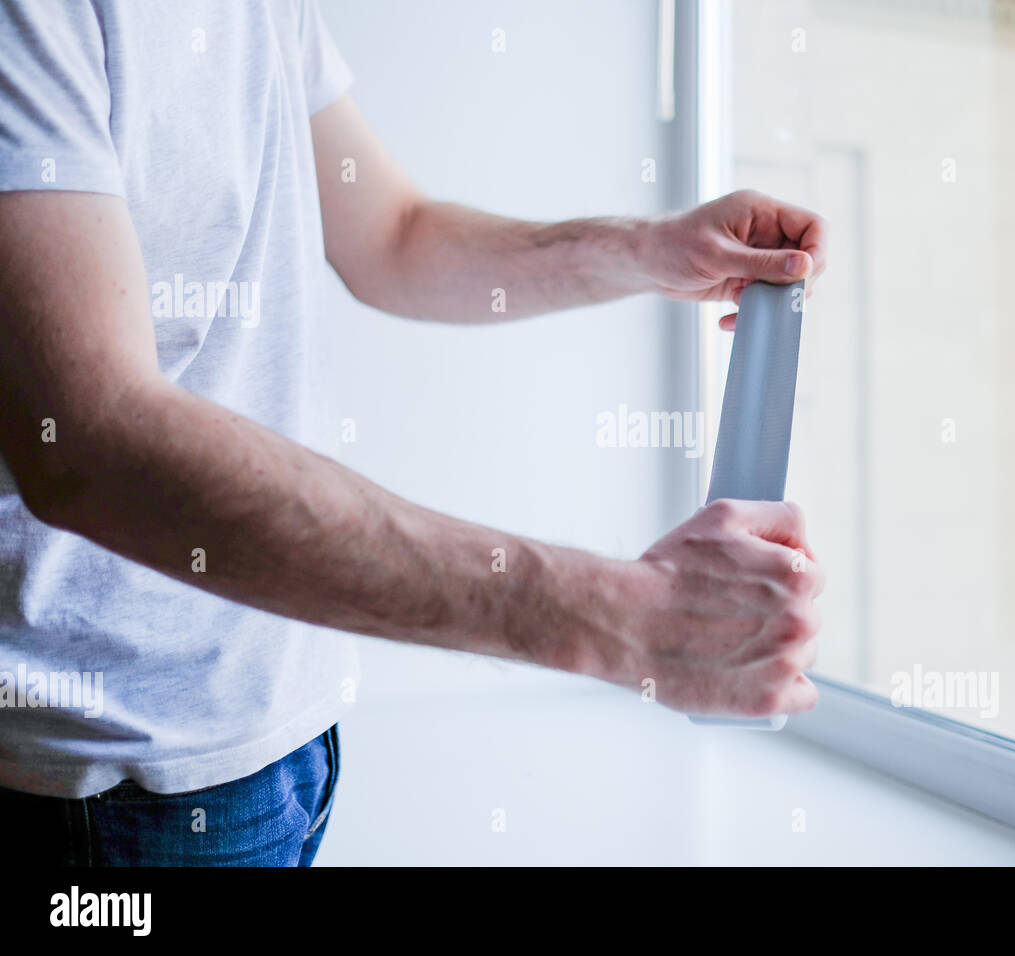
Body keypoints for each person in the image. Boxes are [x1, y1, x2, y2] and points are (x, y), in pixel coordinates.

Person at [0, 0, 827, 865]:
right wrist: (632, 618)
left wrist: (647, 248)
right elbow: (88, 445)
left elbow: (392, 235)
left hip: (283, 740)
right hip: (105, 789)